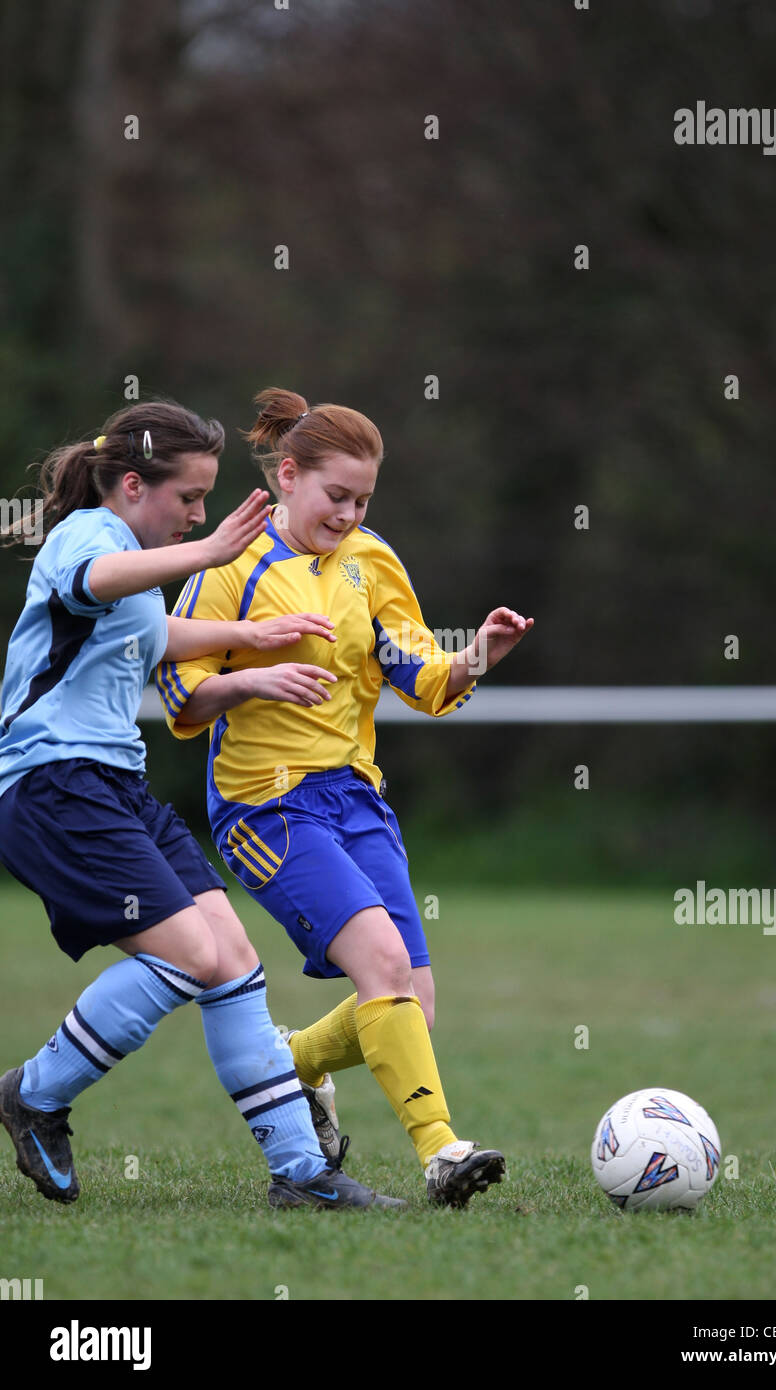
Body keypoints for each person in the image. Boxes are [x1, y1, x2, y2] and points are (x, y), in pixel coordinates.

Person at [0, 399, 405, 1212]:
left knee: (233, 962)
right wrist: (212, 555)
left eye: (206, 503)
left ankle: (301, 1175)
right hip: (54, 785)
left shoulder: (135, 556)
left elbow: (148, 635)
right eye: (188, 499)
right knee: (189, 955)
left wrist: (253, 646)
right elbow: (93, 581)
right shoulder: (92, 535)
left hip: (114, 784)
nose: (198, 516)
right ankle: (34, 1094)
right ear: (127, 486)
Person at [157, 388, 533, 1206]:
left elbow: (422, 679)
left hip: (357, 802)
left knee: (410, 1009)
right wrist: (252, 677)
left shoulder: (371, 560)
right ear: (288, 476)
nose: (350, 513)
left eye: (363, 499)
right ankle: (442, 1154)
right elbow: (179, 698)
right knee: (385, 967)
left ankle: (280, 1067)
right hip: (267, 806)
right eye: (337, 496)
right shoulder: (228, 563)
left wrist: (477, 658)